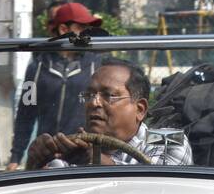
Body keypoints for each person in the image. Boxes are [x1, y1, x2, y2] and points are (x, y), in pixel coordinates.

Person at [23, 59, 192, 169]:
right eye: (89, 95)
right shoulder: (74, 152)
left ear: (140, 109)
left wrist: (94, 160)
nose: (94, 103)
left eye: (109, 95)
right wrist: (34, 164)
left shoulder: (168, 139)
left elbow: (159, 185)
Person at [6, 2, 107, 170]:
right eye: (82, 27)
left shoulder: (96, 65)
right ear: (63, 30)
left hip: (84, 153)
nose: (88, 33)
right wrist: (15, 158)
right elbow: (26, 113)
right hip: (46, 155)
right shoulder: (36, 68)